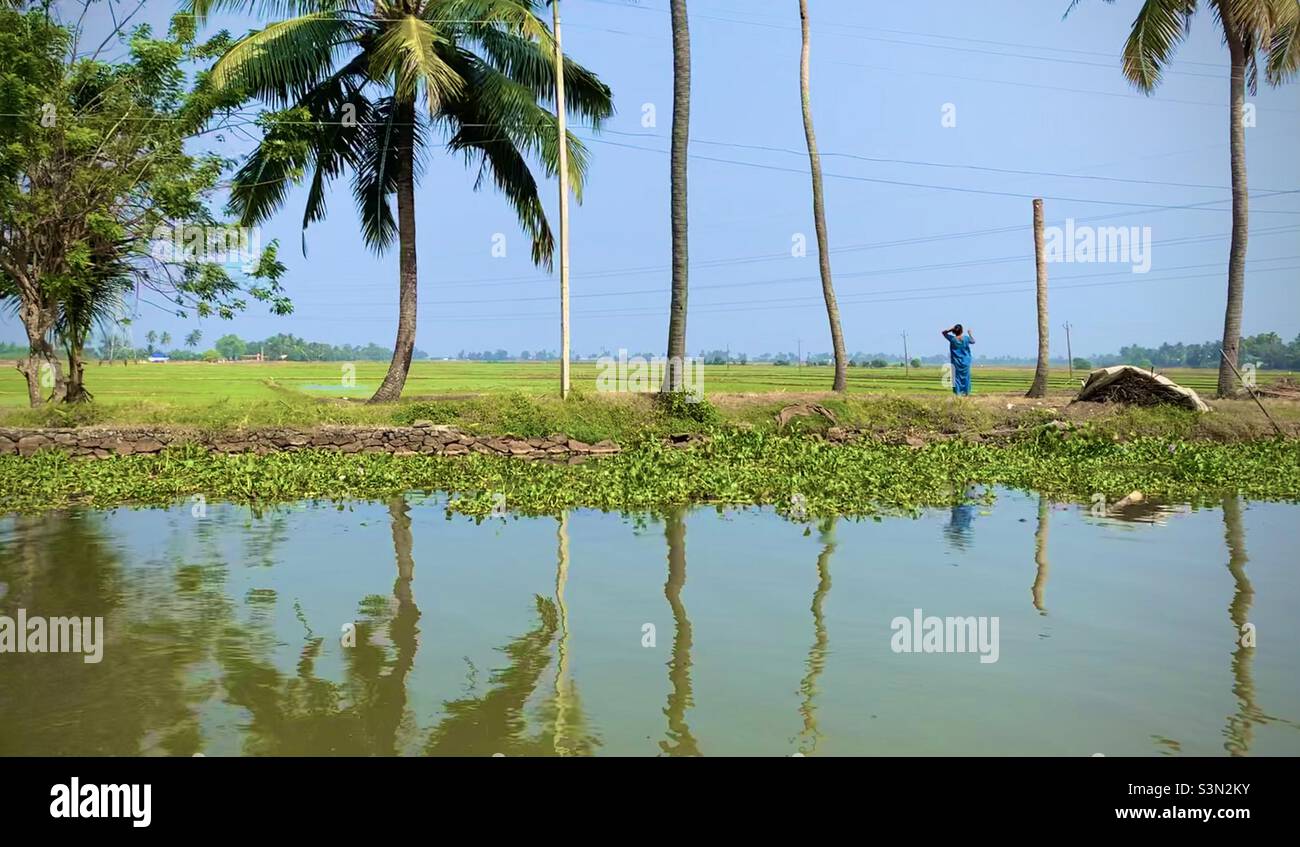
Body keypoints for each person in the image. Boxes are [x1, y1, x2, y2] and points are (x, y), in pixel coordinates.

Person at [942, 324, 975, 396]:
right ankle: (966, 393)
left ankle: (958, 393)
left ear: (954, 331)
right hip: (966, 361)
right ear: (962, 331)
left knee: (956, 378)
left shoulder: (952, 339)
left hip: (956, 361)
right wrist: (970, 334)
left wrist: (951, 329)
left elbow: (943, 333)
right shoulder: (966, 338)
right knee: (966, 377)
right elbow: (973, 341)